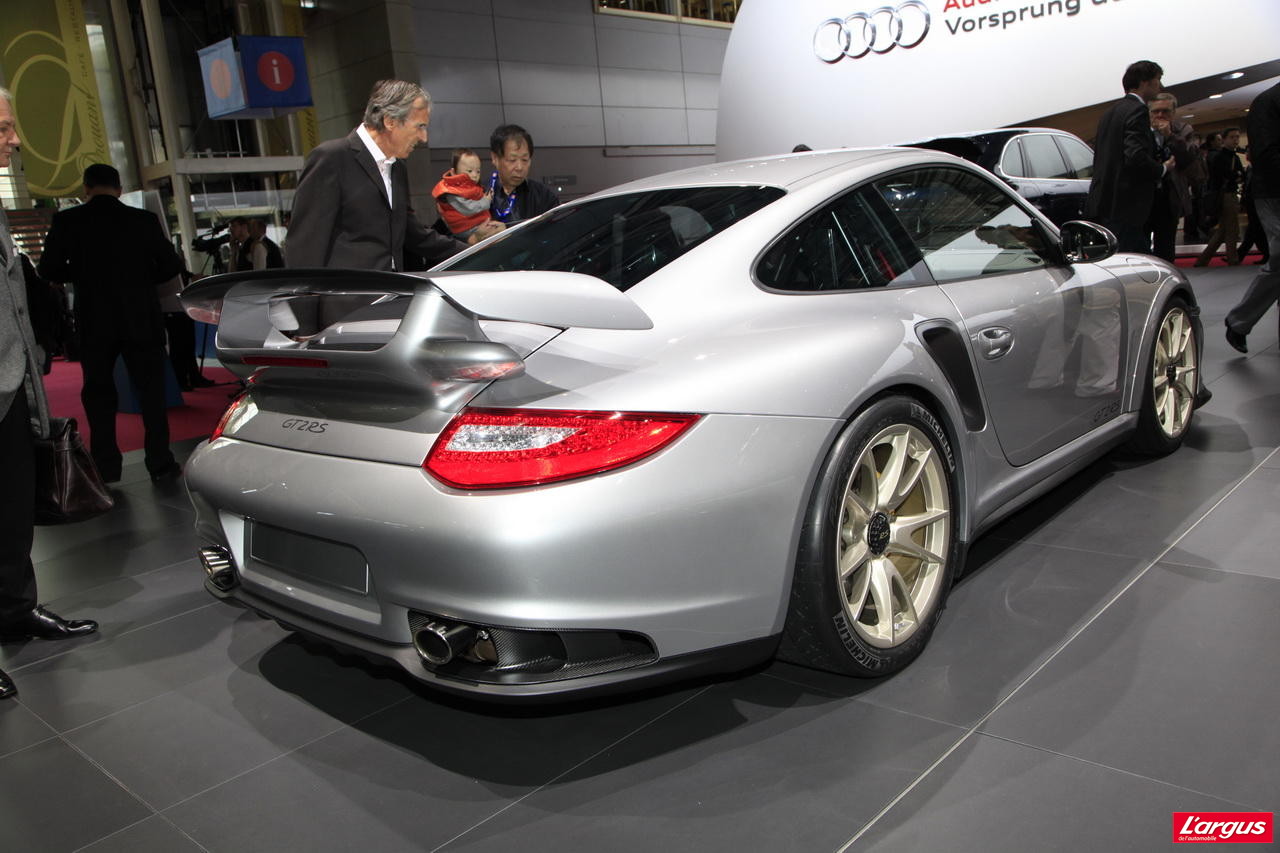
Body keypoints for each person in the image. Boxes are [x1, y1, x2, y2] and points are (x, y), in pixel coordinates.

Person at [0, 86, 98, 701]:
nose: (14, 138)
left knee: (11, 513)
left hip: (10, 385)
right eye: (5, 127)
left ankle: (15, 611)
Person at [38, 163, 184, 483]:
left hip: (96, 320)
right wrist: (144, 280)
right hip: (141, 318)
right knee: (151, 394)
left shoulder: (68, 221)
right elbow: (172, 264)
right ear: (119, 189)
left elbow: (48, 269)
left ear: (86, 189)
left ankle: (107, 467)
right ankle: (160, 462)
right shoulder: (143, 220)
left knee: (99, 396)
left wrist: (78, 276)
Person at [286, 80, 476, 270]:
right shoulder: (332, 158)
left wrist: (476, 252)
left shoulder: (396, 167)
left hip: (392, 293)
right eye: (420, 126)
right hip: (346, 297)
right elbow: (305, 244)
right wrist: (304, 299)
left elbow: (413, 234)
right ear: (390, 121)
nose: (424, 137)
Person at [1085, 60, 1176, 254]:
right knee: (1136, 259)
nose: (1160, 86)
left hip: (1104, 200)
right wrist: (1163, 168)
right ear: (1145, 82)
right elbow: (1135, 156)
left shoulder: (1110, 113)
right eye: (1157, 80)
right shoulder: (1138, 110)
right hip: (1127, 203)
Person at [1224, 81, 1280, 353]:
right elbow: (1265, 155)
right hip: (1273, 193)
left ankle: (1239, 322)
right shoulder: (1267, 102)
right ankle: (1238, 321)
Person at [1147, 93, 1196, 262]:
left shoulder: (1184, 130)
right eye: (1156, 111)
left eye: (1165, 111)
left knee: (1166, 249)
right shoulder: (1141, 132)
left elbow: (1188, 159)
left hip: (1169, 197)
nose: (1160, 115)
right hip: (1144, 197)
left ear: (1173, 112)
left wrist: (1170, 136)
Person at [487, 124, 560, 226]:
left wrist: (507, 230)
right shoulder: (478, 193)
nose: (520, 167)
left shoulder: (544, 196)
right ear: (495, 158)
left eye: (525, 160)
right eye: (512, 160)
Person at [1194, 128, 1245, 266]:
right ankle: (1232, 258)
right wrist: (1237, 176)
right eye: (1232, 137)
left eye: (1237, 137)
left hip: (1225, 193)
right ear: (1224, 139)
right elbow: (1230, 175)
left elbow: (1238, 175)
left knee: (1223, 230)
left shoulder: (1231, 156)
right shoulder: (1221, 157)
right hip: (1226, 195)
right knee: (1231, 229)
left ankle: (1203, 260)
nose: (1235, 140)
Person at [433, 148, 505, 240]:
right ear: (453, 172)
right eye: (469, 171)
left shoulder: (473, 187)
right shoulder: (450, 192)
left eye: (478, 171)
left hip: (477, 223)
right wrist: (486, 201)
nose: (475, 175)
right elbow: (468, 209)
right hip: (464, 229)